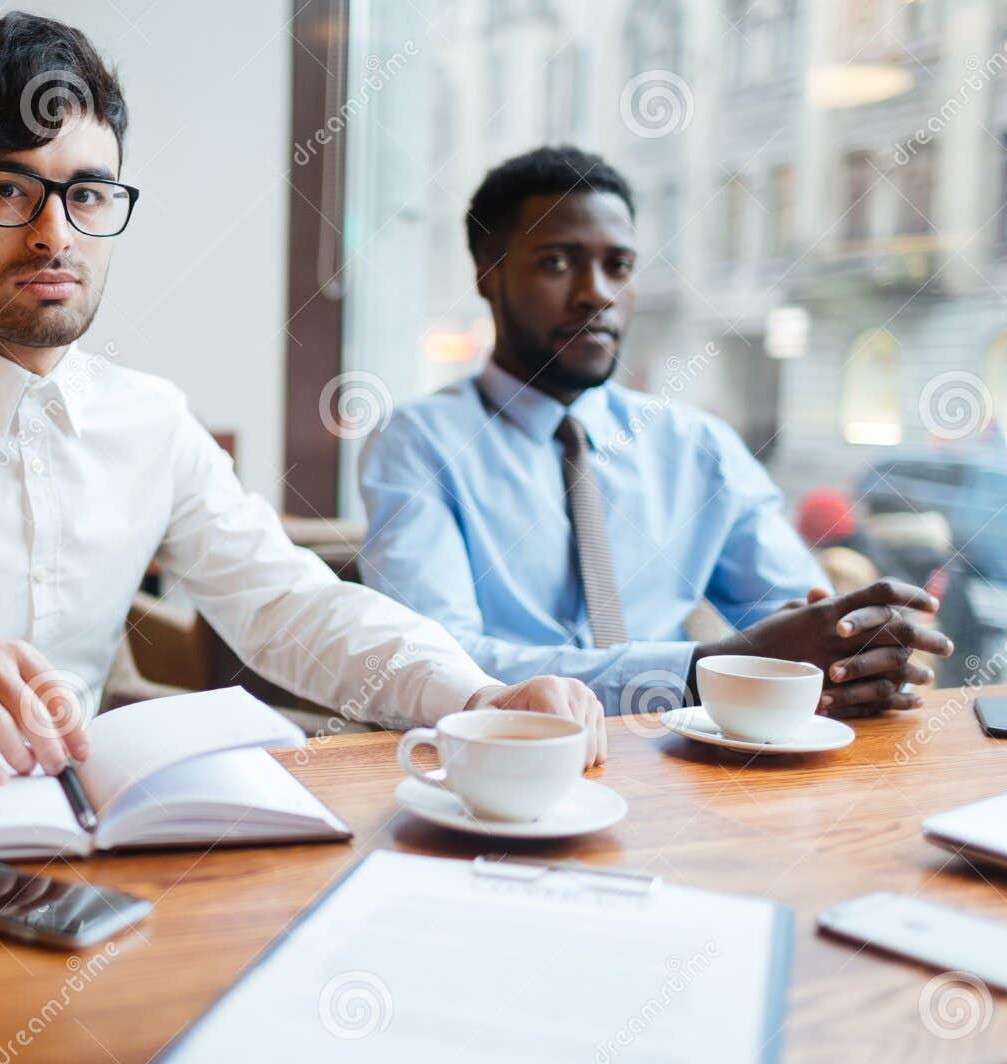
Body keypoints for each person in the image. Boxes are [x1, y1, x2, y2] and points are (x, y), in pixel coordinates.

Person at [0, 15, 605, 789]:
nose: (55, 234)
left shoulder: (149, 421)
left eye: (87, 193)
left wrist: (477, 695)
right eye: (6, 189)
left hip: (85, 851)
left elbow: (289, 604)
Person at [359, 145, 951, 717]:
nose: (597, 293)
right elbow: (435, 665)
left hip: (679, 771)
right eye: (557, 262)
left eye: (618, 266)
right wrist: (703, 668)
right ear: (489, 275)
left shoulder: (697, 446)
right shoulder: (418, 443)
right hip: (498, 767)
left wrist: (849, 652)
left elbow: (795, 614)